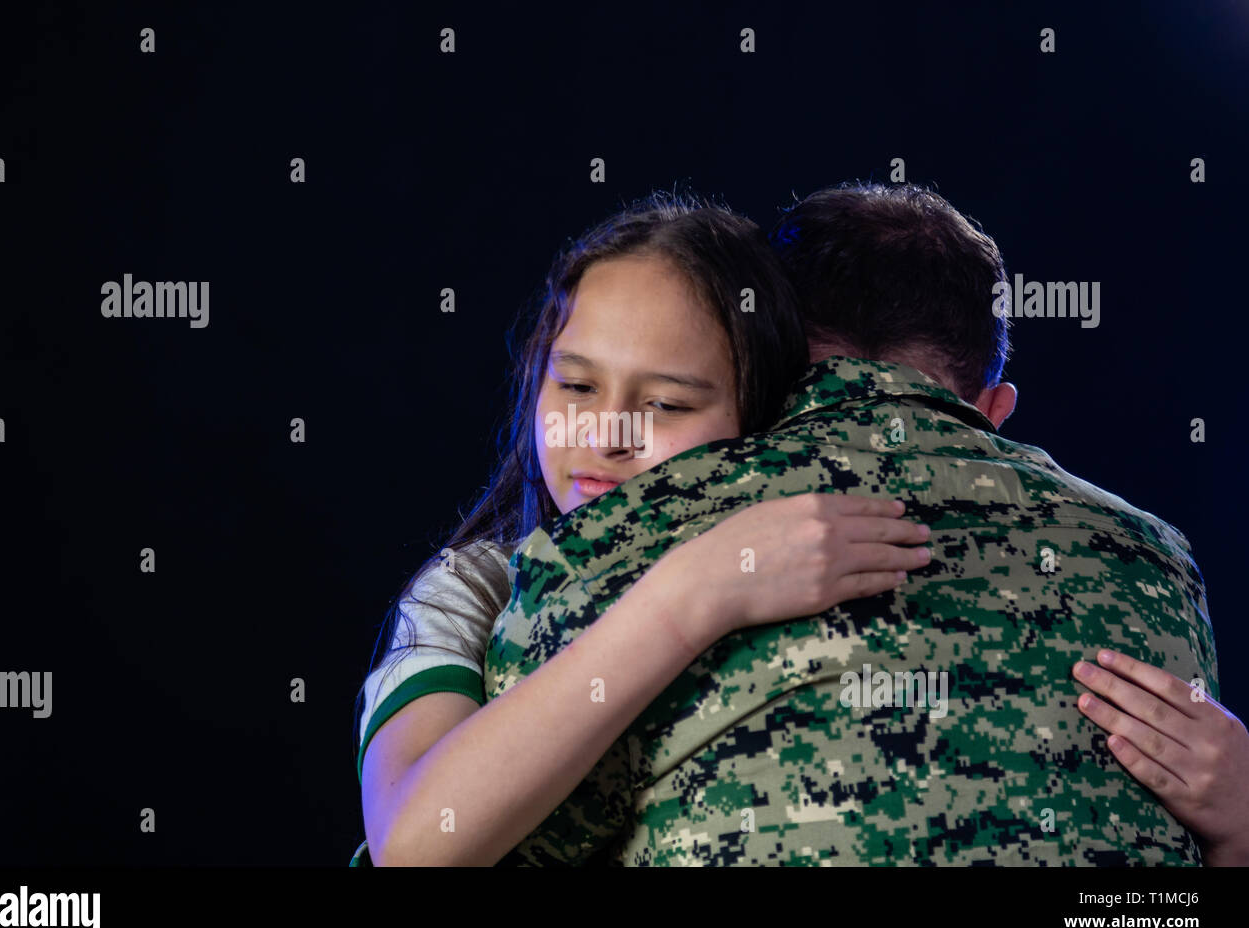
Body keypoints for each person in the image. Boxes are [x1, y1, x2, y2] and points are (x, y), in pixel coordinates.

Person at [482, 182, 1249, 866]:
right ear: (994, 411)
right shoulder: (1154, 558)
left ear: (761, 377)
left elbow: (484, 839)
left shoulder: (621, 534)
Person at [352, 191, 933, 866]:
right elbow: (415, 847)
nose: (606, 435)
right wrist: (695, 591)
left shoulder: (820, 553)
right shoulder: (471, 589)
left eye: (665, 404)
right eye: (576, 387)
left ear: (762, 417)